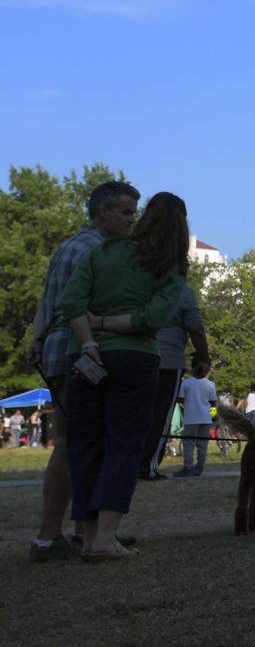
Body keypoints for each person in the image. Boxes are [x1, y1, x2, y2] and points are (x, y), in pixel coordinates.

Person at [60, 191, 189, 560]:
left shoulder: (102, 252)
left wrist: (89, 340)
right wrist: (109, 324)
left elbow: (71, 303)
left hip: (84, 359)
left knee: (83, 444)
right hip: (135, 358)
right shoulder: (171, 265)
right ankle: (105, 536)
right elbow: (151, 319)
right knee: (125, 443)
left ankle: (85, 537)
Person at [26, 180, 139, 563]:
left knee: (75, 443)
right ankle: (50, 537)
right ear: (104, 211)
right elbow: (82, 307)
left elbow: (47, 301)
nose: (131, 221)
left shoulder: (69, 246)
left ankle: (80, 529)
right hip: (79, 353)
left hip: (57, 351)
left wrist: (37, 342)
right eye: (125, 213)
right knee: (76, 445)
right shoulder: (97, 250)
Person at [141, 283, 208, 481]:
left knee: (134, 414)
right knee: (160, 416)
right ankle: (147, 467)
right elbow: (195, 327)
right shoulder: (182, 291)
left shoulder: (137, 284)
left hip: (136, 356)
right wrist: (203, 356)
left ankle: (125, 464)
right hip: (168, 361)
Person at [174, 358, 218, 477]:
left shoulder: (186, 383)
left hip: (191, 417)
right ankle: (199, 467)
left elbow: (179, 399)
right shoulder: (210, 384)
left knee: (188, 443)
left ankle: (188, 467)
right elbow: (213, 402)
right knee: (202, 444)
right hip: (205, 418)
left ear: (192, 368)